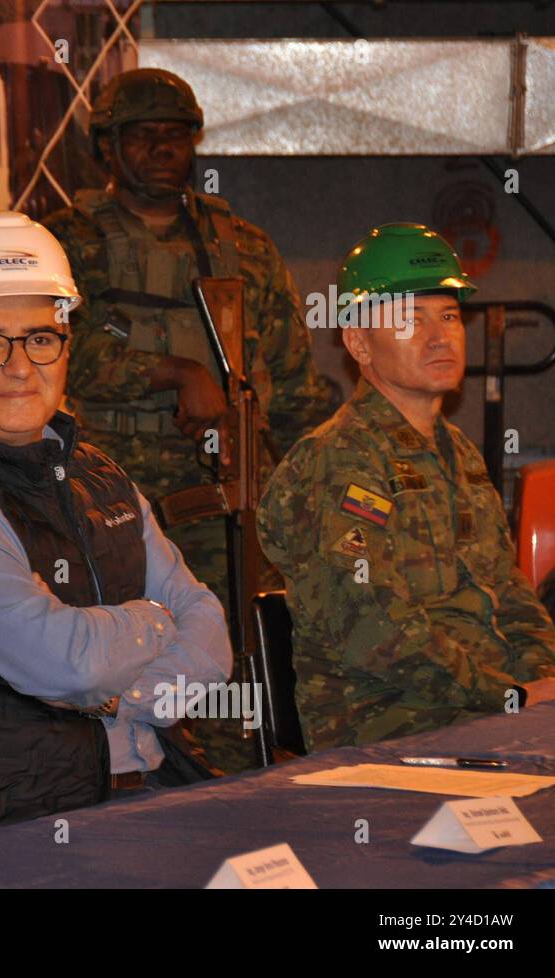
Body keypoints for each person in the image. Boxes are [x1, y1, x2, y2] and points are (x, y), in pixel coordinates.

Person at [0, 213, 232, 830]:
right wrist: (154, 621)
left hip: (147, 794)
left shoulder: (99, 475)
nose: (19, 366)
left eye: (40, 337)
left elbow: (211, 633)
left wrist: (125, 698)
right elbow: (63, 663)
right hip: (23, 824)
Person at [42, 67, 338, 771]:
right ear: (106, 148)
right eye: (141, 136)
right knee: (116, 647)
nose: (161, 149)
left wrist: (306, 487)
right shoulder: (67, 245)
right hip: (106, 494)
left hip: (225, 495)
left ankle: (230, 786)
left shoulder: (245, 248)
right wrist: (176, 373)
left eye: (176, 136)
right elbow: (53, 354)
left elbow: (293, 381)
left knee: (233, 652)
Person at [258, 224, 555, 751]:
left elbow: (507, 589)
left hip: (487, 715)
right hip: (395, 725)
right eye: (409, 319)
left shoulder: (458, 453)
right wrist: (511, 695)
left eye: (448, 315)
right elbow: (374, 628)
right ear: (358, 343)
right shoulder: (339, 459)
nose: (440, 335)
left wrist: (546, 681)